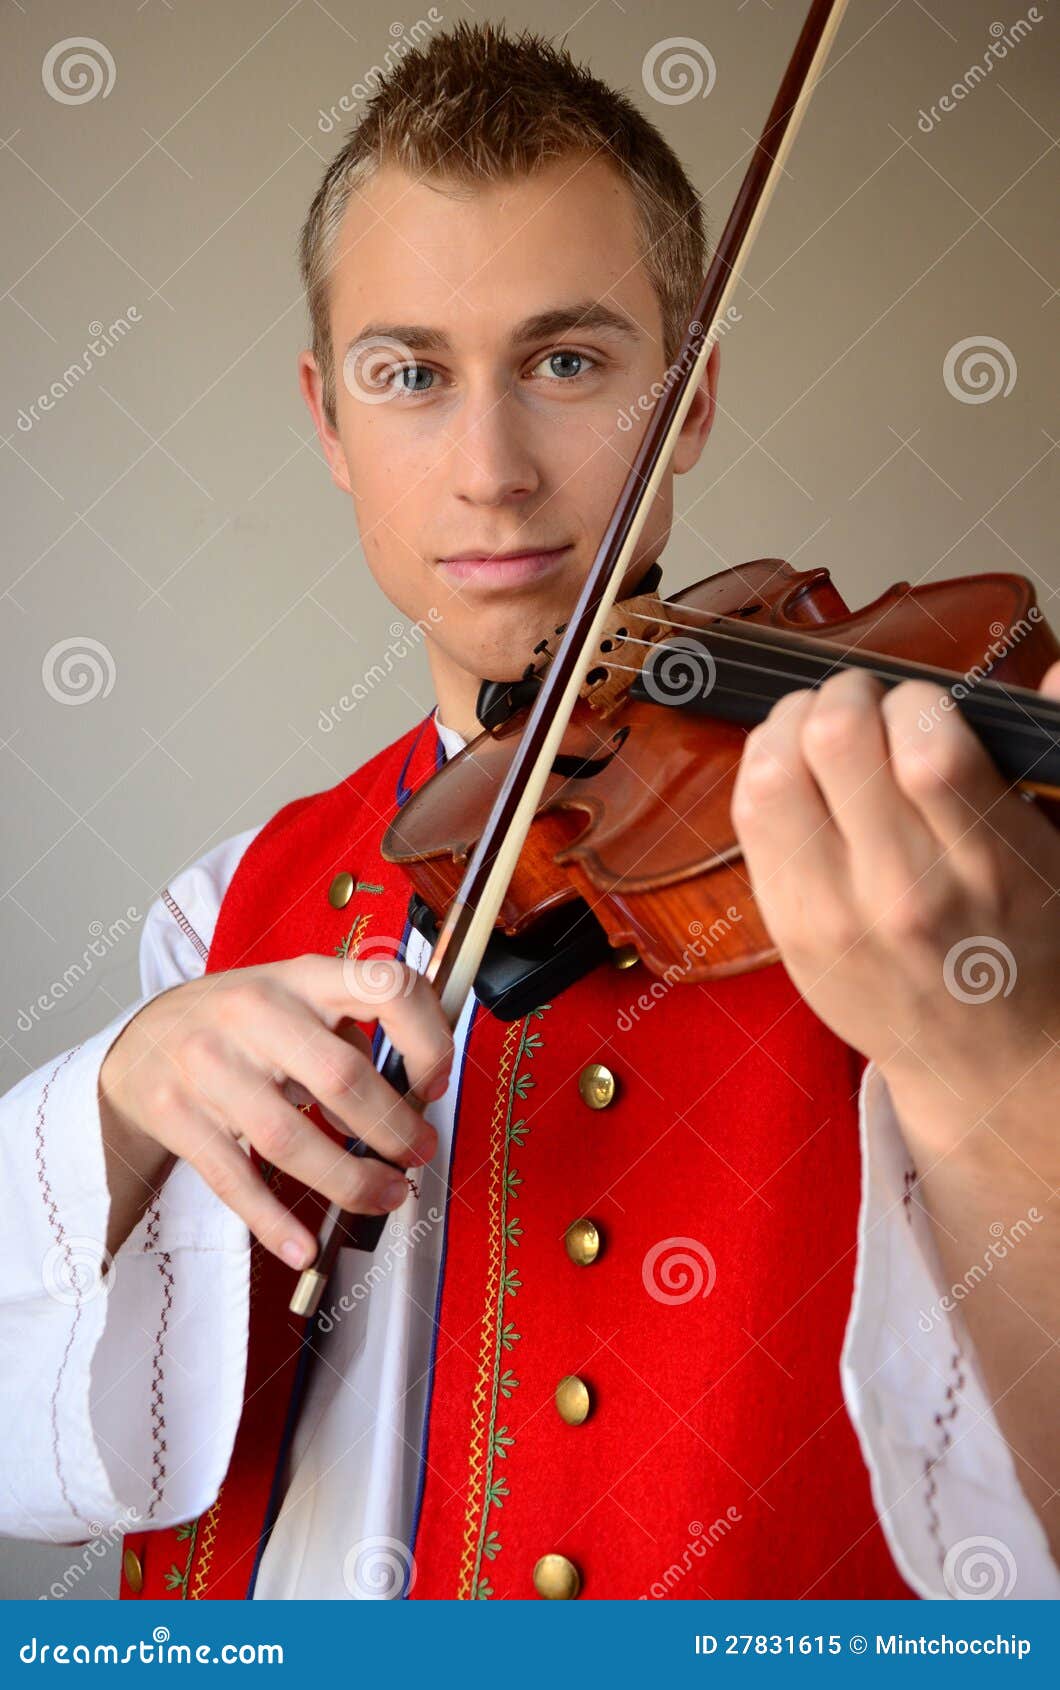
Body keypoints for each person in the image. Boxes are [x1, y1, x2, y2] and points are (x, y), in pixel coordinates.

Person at [2, 21, 1057, 1603]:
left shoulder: (945, 862)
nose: (491, 468)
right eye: (410, 373)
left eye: (568, 363)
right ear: (326, 420)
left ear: (685, 399)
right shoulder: (227, 903)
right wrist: (120, 1103)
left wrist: (1009, 1064)